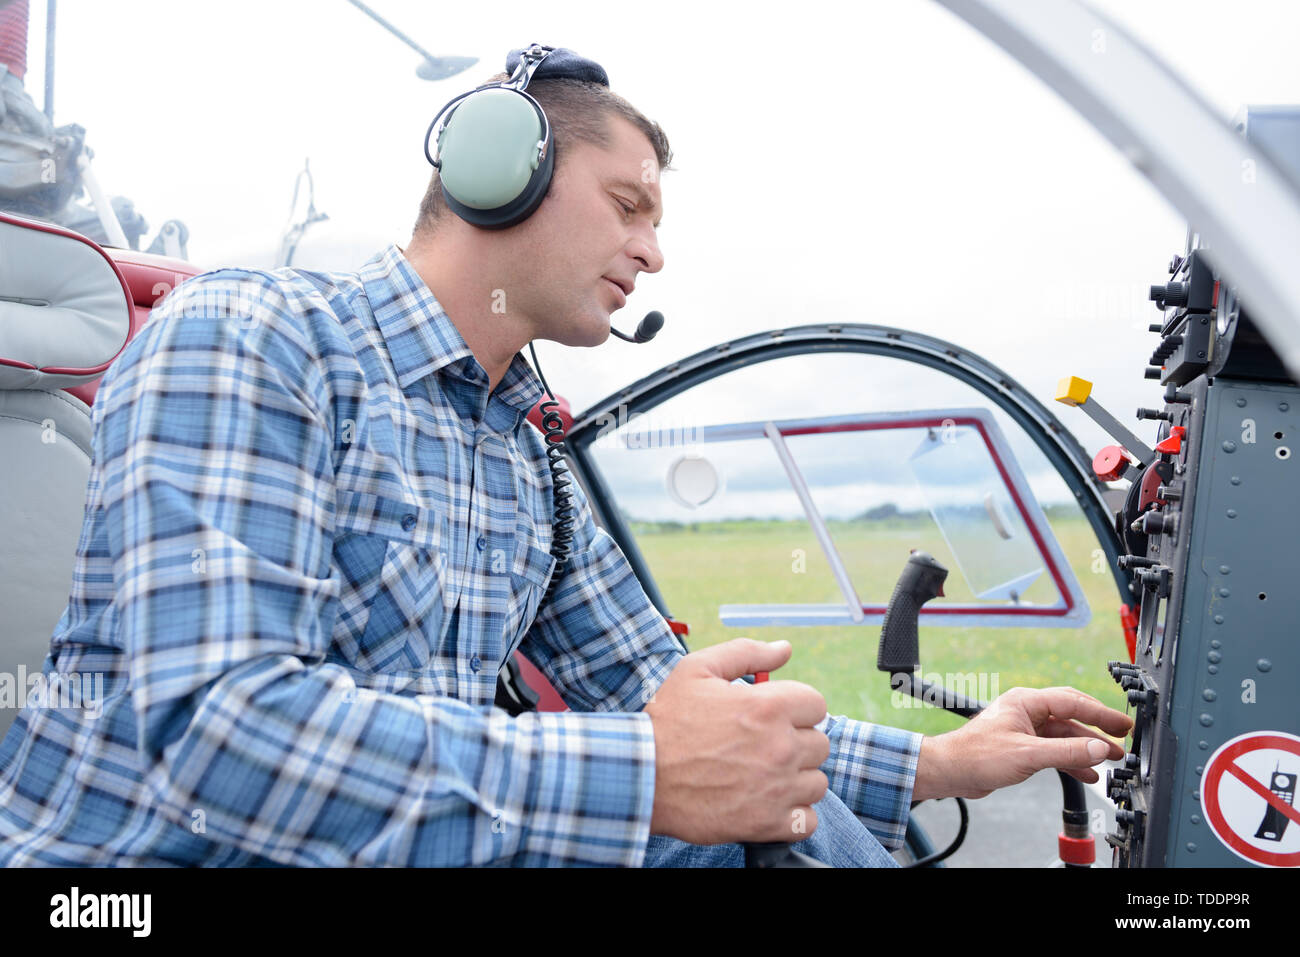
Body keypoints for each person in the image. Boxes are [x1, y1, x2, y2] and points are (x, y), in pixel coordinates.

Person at [0, 45, 1131, 868]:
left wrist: (941, 762)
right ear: (502, 172)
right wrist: (649, 774)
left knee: (754, 834)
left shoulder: (521, 458)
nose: (653, 248)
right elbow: (222, 733)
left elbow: (657, 691)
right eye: (628, 203)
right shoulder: (256, 335)